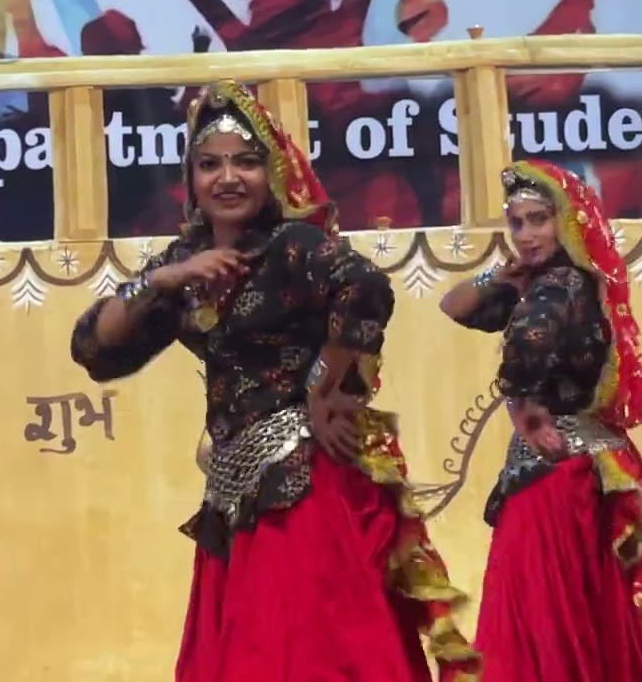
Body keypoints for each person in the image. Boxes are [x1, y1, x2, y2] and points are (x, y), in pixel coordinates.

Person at [71, 80, 480, 682]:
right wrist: (163, 282)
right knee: (250, 652)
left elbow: (365, 288)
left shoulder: (292, 245)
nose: (227, 178)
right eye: (210, 165)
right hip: (236, 489)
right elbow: (94, 345)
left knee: (308, 650)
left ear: (272, 172)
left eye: (245, 162)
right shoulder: (184, 259)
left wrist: (324, 386)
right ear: (192, 180)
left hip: (305, 483)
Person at [439, 159, 642, 680]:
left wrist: (523, 407)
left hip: (550, 475)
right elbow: (452, 305)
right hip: (583, 471)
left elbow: (527, 344)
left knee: (539, 615)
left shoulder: (557, 286)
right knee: (583, 614)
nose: (526, 235)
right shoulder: (566, 283)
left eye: (539, 220)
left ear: (568, 219)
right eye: (517, 223)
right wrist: (497, 275)